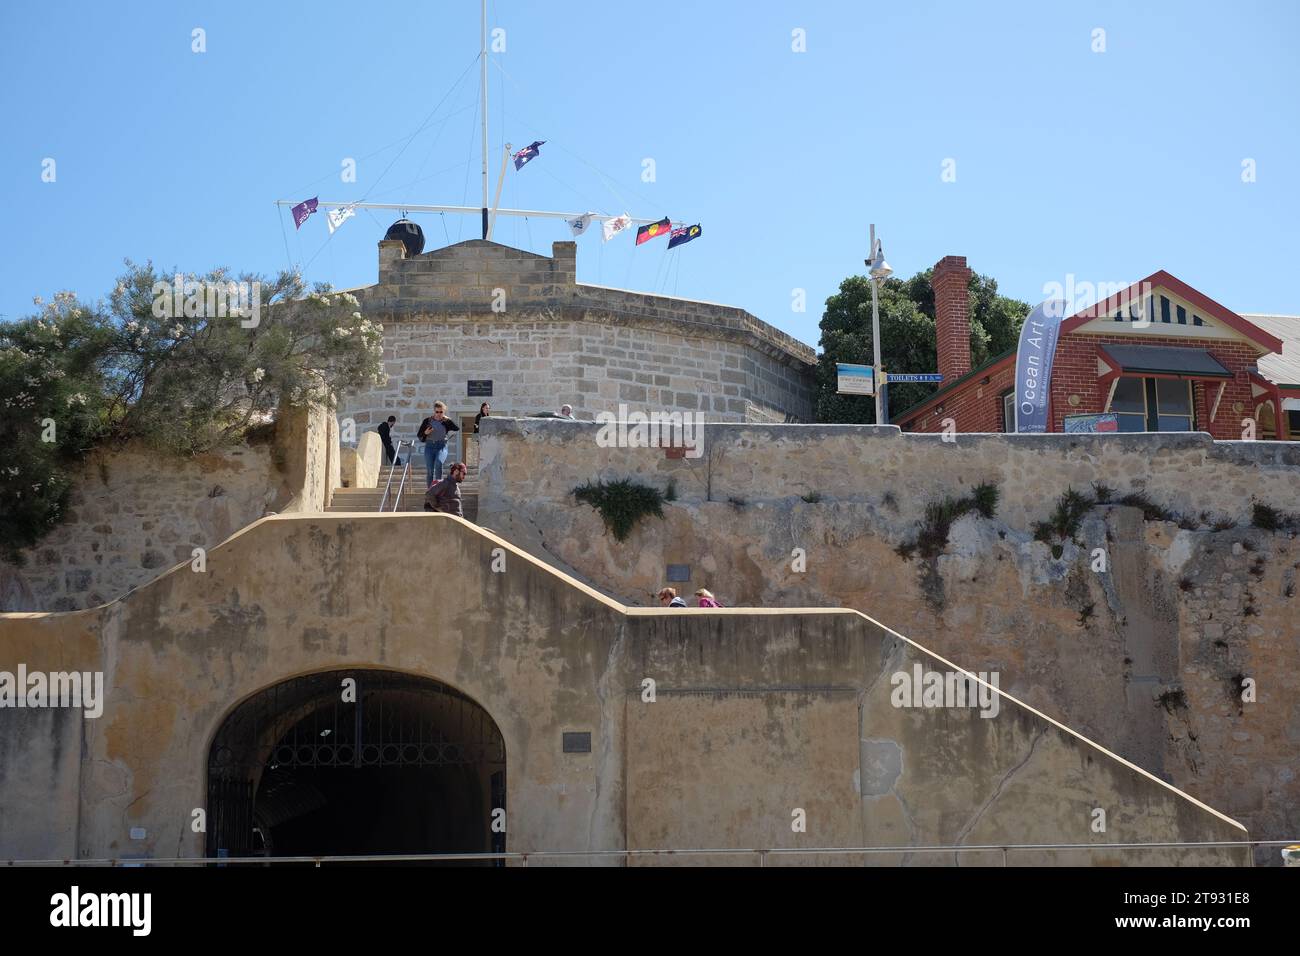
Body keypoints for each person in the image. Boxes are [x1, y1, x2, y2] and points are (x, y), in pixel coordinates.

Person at [417, 401, 460, 486]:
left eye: (441, 412)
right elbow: (419, 435)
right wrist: (425, 433)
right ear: (434, 411)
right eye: (437, 412)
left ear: (444, 412)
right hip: (429, 447)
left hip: (441, 446)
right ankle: (430, 491)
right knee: (430, 471)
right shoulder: (427, 421)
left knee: (439, 464)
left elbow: (456, 428)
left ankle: (438, 489)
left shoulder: (446, 421)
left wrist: (449, 419)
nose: (439, 414)